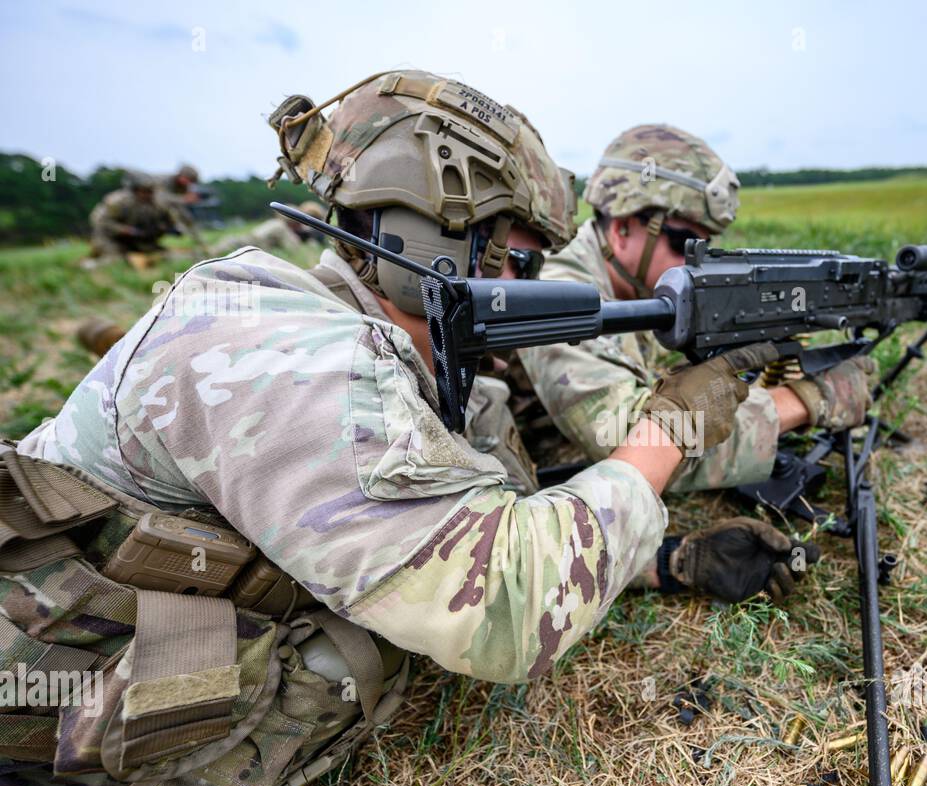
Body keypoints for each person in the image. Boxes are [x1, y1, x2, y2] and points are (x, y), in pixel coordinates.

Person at [19, 71, 811, 691]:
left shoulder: (367, 340)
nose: (534, 291)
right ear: (429, 243)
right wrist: (664, 431)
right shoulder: (301, 364)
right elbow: (506, 609)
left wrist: (659, 560)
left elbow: (455, 525)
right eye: (517, 261)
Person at [515, 124, 876, 492]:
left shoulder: (639, 284)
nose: (697, 262)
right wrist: (807, 399)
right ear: (623, 228)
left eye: (707, 245)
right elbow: (637, 446)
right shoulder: (558, 294)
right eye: (686, 242)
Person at [82, 171, 179, 269]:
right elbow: (101, 222)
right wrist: (123, 230)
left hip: (140, 241)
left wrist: (165, 228)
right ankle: (88, 264)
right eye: (144, 191)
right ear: (134, 190)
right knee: (116, 262)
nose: (147, 195)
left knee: (165, 257)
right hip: (112, 239)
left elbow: (171, 221)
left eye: (150, 191)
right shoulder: (118, 202)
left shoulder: (158, 203)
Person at [210, 200, 327, 256]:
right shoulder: (280, 227)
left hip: (236, 244)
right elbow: (293, 249)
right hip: (237, 246)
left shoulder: (276, 224)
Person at [155, 162, 210, 255]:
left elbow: (180, 204)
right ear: (181, 175)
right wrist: (184, 199)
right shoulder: (164, 180)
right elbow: (160, 198)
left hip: (172, 205)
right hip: (154, 206)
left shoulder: (184, 186)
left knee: (187, 218)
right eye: (188, 180)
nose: (189, 183)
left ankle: (202, 244)